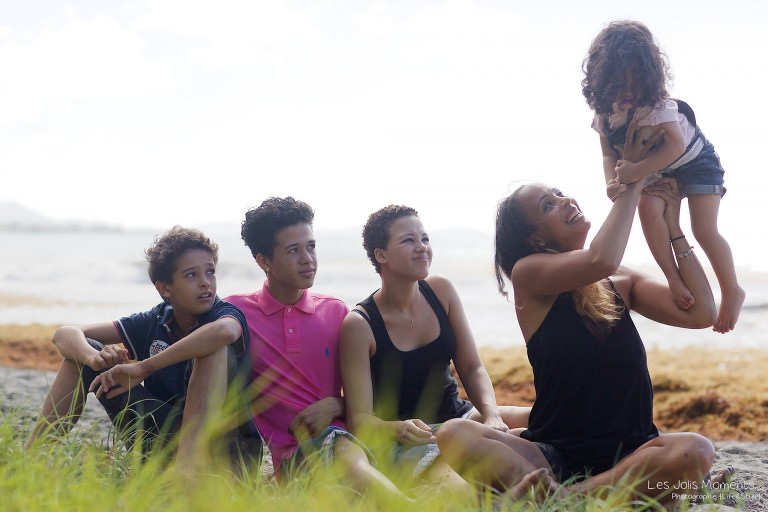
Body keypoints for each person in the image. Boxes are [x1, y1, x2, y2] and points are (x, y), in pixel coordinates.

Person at [435, 170, 718, 505]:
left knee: (695, 449)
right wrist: (632, 186)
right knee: (454, 433)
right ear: (535, 239)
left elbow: (701, 313)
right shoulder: (528, 274)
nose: (565, 200)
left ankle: (567, 499)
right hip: (555, 455)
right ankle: (603, 496)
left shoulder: (620, 279)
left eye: (560, 193)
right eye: (548, 205)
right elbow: (601, 258)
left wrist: (672, 226)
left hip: (633, 453)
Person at [223, 197, 408, 503]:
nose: (307, 258)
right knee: (338, 446)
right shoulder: (236, 314)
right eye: (293, 251)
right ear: (263, 261)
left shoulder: (336, 312)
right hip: (292, 459)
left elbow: (367, 393)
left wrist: (337, 404)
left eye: (311, 246)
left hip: (353, 441)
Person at [339, 205, 531, 497]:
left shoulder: (441, 291)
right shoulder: (359, 325)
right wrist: (399, 429)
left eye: (425, 239)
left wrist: (491, 415)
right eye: (408, 240)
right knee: (464, 493)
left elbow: (472, 368)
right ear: (381, 255)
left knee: (543, 419)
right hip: (410, 440)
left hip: (461, 418)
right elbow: (360, 421)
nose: (422, 248)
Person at [26, 226, 253, 468]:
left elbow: (225, 332)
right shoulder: (154, 320)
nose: (206, 283)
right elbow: (64, 334)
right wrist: (95, 359)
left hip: (224, 451)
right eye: (191, 275)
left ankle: (189, 473)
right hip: (162, 439)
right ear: (164, 288)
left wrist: (144, 368)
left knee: (212, 346)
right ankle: (32, 456)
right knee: (82, 352)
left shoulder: (224, 314)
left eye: (210, 272)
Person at [581, 19, 744, 333]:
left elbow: (675, 145)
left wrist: (636, 171)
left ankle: (732, 288)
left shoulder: (657, 107)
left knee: (704, 228)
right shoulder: (605, 116)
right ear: (603, 81)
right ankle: (672, 277)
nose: (629, 92)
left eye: (636, 84)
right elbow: (607, 153)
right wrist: (612, 181)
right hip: (653, 167)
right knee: (647, 209)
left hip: (694, 162)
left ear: (650, 78)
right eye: (620, 84)